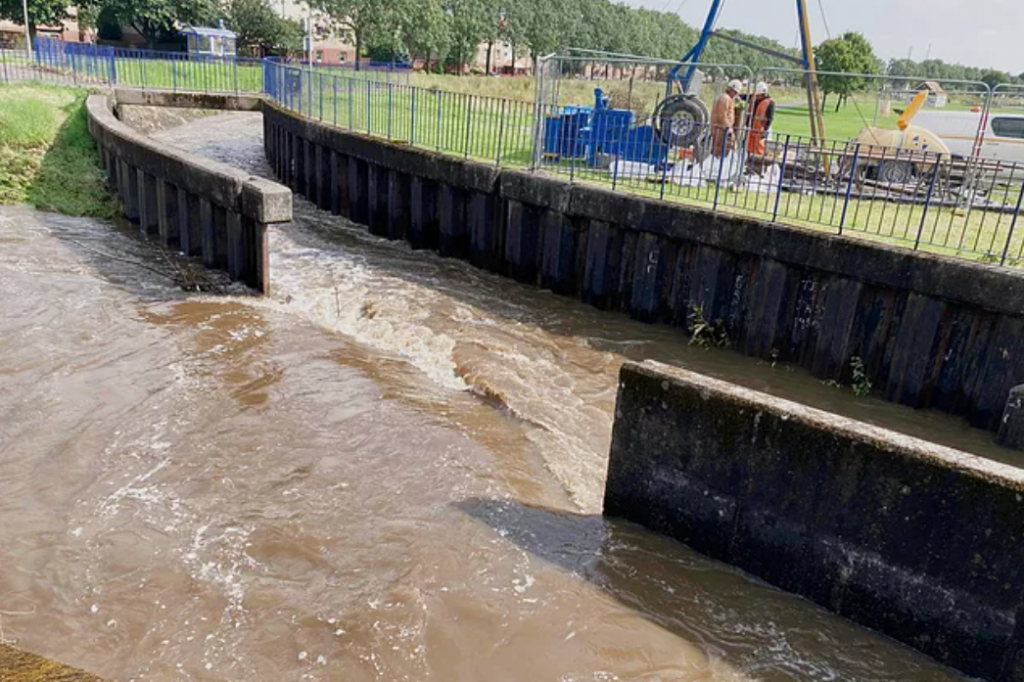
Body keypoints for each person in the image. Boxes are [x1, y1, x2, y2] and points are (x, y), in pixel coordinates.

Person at [710, 79, 743, 158]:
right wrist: (728, 129)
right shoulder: (725, 99)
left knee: (721, 151)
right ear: (732, 90)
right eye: (735, 93)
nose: (735, 95)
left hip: (721, 130)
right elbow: (722, 115)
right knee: (723, 152)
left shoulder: (725, 98)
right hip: (721, 131)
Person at [745, 81, 776, 157]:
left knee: (759, 151)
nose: (757, 97)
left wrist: (765, 130)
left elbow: (770, 118)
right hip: (750, 130)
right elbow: (744, 96)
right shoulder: (754, 99)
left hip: (760, 132)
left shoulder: (770, 103)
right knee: (748, 150)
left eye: (758, 95)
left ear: (764, 94)